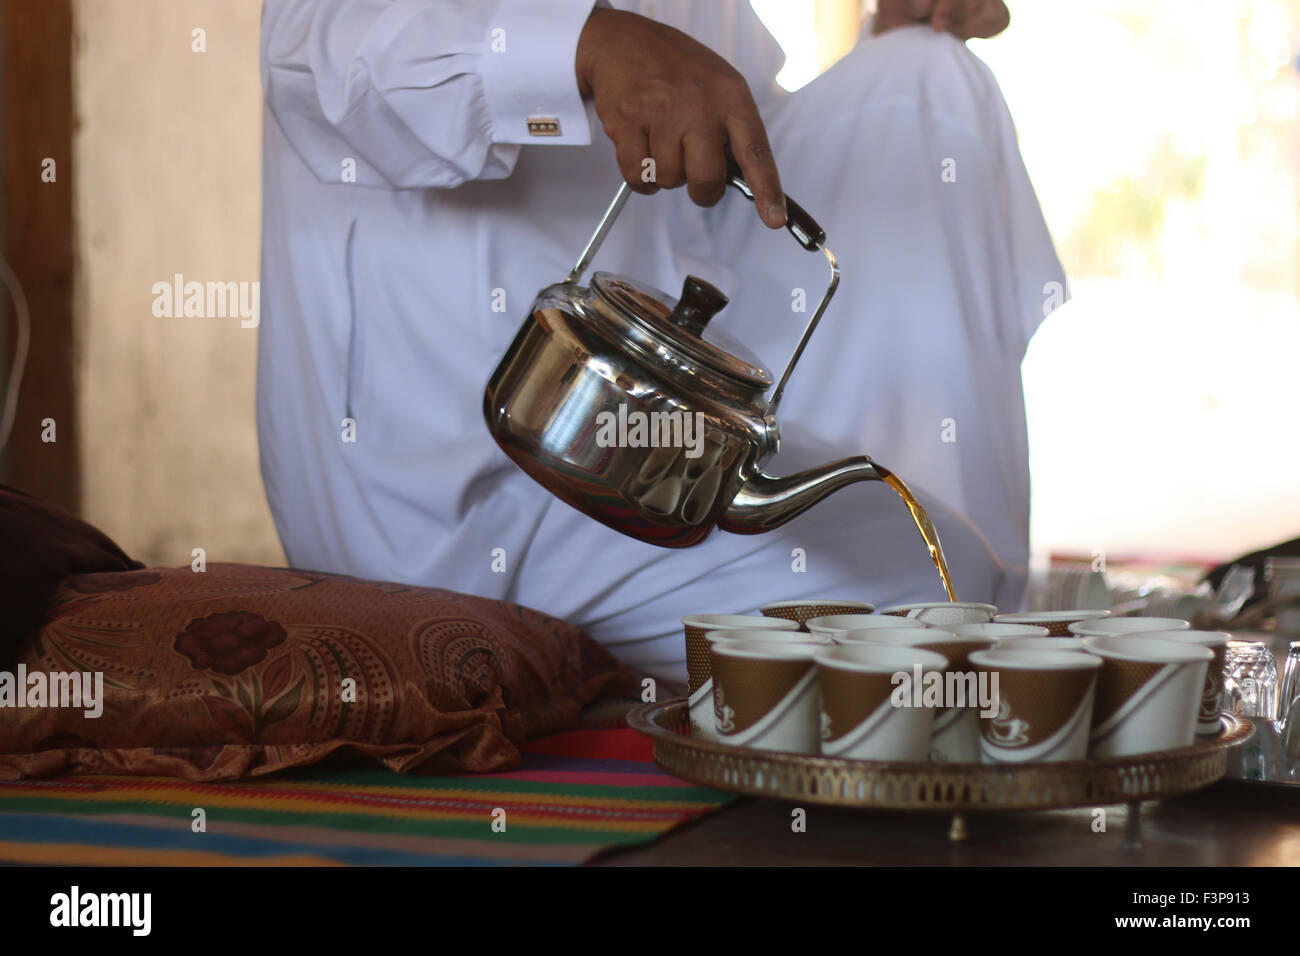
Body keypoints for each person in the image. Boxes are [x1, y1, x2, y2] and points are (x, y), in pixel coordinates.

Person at [258, 0, 1063, 683]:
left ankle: (981, 685)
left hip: (655, 452)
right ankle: (974, 701)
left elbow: (721, 138)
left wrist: (897, 41)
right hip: (451, 485)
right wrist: (588, 45)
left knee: (924, 83)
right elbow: (313, 54)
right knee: (929, 631)